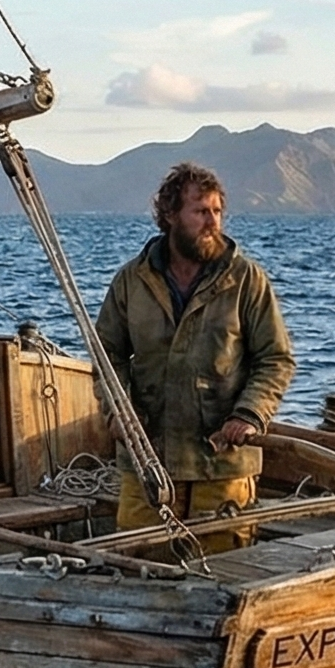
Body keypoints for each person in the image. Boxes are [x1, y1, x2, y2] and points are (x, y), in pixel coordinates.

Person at [94, 161, 296, 531]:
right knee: (138, 555)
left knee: (224, 559)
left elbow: (276, 359)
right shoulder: (131, 281)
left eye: (217, 211)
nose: (212, 222)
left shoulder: (246, 280)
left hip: (221, 463)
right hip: (148, 462)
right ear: (170, 215)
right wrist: (118, 411)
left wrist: (249, 414)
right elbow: (107, 355)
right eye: (201, 211)